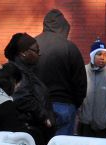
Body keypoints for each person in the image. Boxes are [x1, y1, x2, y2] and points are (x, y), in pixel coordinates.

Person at [34, 9, 86, 137]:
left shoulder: (32, 45)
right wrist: (74, 103)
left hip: (36, 105)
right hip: (64, 104)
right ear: (64, 27)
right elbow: (80, 82)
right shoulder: (70, 48)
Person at [5, 33, 54, 145]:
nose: (39, 54)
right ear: (23, 53)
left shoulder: (27, 71)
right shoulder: (16, 72)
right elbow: (21, 98)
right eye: (36, 50)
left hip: (35, 131)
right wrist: (44, 117)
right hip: (29, 132)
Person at [78, 39, 106, 139]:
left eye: (105, 55)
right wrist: (80, 114)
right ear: (92, 55)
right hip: (85, 124)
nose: (103, 58)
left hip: (105, 126)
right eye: (99, 54)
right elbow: (77, 93)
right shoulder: (83, 71)